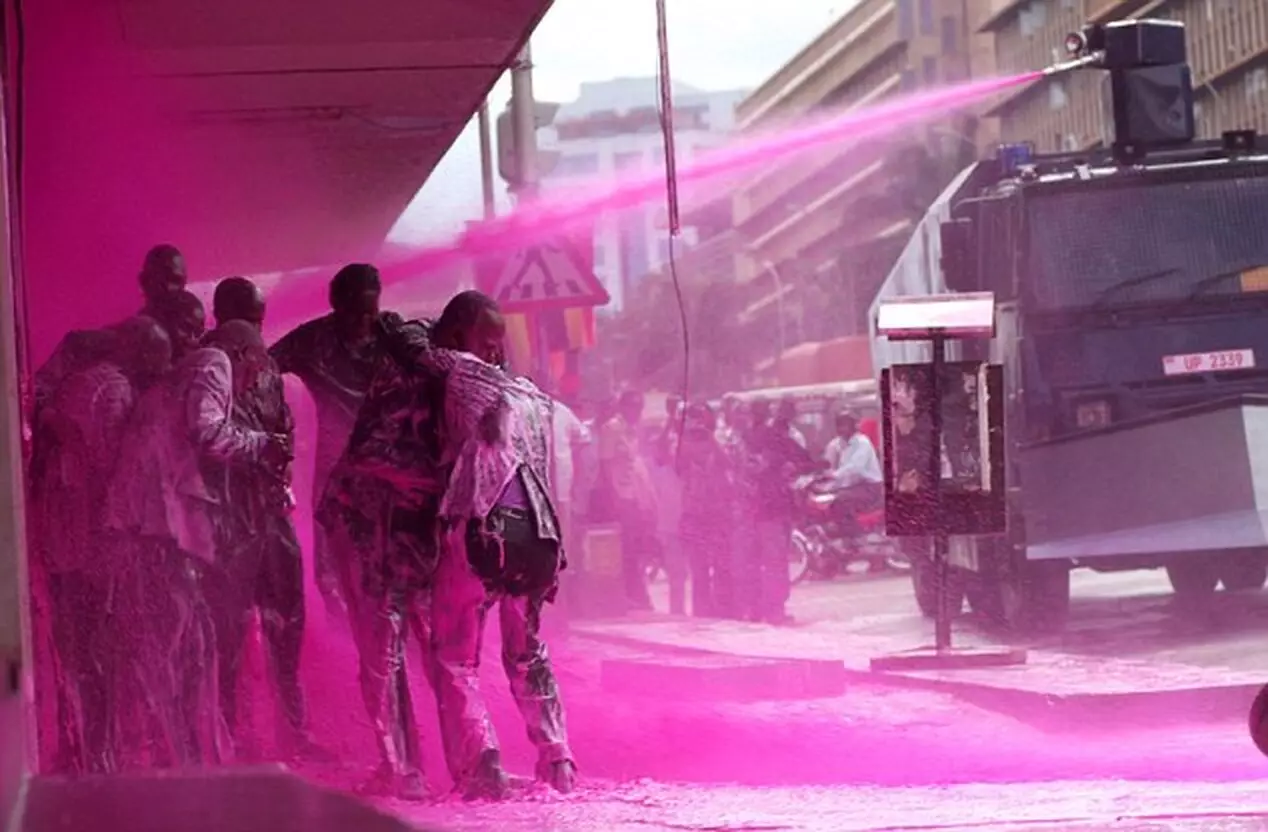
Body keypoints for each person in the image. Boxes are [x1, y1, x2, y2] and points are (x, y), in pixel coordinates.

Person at [106, 320, 289, 768]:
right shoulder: (215, 361)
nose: (253, 384)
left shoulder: (184, 372)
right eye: (258, 369)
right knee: (171, 647)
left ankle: (189, 758)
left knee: (187, 644)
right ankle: (170, 763)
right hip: (155, 530)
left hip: (147, 527)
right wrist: (262, 445)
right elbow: (206, 432)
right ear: (246, 354)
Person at [420, 291, 576, 799]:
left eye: (490, 341)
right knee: (528, 652)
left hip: (485, 527)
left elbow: (413, 348)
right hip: (541, 539)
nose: (490, 349)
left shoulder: (461, 370)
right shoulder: (532, 394)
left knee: (454, 656)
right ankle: (559, 763)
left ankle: (482, 766)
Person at [29, 317, 172, 774]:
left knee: (75, 649)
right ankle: (99, 757)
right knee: (98, 652)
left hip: (63, 541)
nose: (161, 368)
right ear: (139, 353)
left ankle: (80, 751)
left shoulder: (79, 384)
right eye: (158, 357)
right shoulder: (114, 392)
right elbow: (110, 473)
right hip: (91, 545)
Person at [318, 314, 449, 801]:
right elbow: (365, 454)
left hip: (409, 533)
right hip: (366, 529)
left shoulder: (450, 382)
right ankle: (400, 767)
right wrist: (432, 481)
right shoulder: (406, 382)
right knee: (384, 650)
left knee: (436, 647)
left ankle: (451, 761)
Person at [203, 278, 317, 759]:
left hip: (269, 511)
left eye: (259, 319)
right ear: (225, 316)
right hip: (226, 518)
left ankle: (293, 734)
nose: (257, 328)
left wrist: (281, 461)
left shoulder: (264, 366)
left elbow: (282, 428)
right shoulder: (206, 364)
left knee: (288, 624)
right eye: (251, 318)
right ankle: (229, 734)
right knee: (227, 633)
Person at [271, 263, 404, 614]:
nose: (365, 322)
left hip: (389, 456)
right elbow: (263, 368)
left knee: (392, 544)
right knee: (332, 538)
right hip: (336, 458)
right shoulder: (312, 340)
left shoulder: (392, 333)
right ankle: (336, 615)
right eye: (356, 312)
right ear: (337, 305)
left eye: (370, 312)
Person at [33, 245, 192, 415]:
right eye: (160, 279)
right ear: (144, 281)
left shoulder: (194, 348)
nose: (168, 288)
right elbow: (39, 394)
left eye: (175, 280)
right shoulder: (95, 343)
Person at [741, 400, 816, 624]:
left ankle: (756, 609)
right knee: (775, 562)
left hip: (750, 511)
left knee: (755, 561)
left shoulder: (742, 438)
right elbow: (806, 460)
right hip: (772, 509)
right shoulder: (774, 438)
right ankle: (774, 611)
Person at [598, 390, 657, 610]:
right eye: (633, 407)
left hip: (634, 495)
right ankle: (630, 594)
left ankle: (635, 592)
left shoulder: (633, 431)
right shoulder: (612, 428)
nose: (637, 412)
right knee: (626, 547)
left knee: (636, 545)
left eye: (639, 407)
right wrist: (612, 498)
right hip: (619, 494)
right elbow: (605, 465)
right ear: (623, 407)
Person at [677, 403, 733, 618]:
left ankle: (721, 609)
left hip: (716, 512)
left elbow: (729, 463)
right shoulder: (684, 446)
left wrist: (710, 439)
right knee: (699, 568)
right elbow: (678, 464)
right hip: (693, 514)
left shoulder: (714, 445)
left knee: (720, 565)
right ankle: (702, 612)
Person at [822, 411, 884, 536]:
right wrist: (827, 485)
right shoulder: (838, 444)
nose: (841, 429)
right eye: (839, 425)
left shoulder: (862, 443)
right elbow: (831, 465)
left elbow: (855, 468)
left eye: (845, 425)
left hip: (870, 488)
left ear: (853, 426)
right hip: (854, 486)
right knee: (830, 501)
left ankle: (855, 537)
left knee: (841, 500)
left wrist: (834, 476)